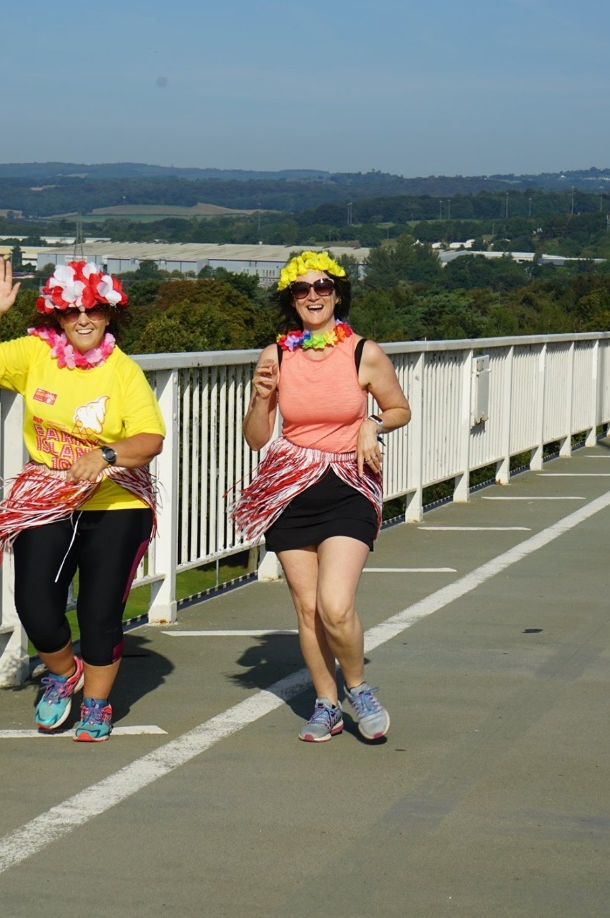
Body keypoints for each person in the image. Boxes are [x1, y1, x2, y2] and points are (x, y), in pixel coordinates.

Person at [0, 258, 166, 742]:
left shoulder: (123, 371)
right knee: (34, 604)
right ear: (58, 315)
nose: (83, 319)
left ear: (109, 314)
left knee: (99, 613)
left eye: (93, 309)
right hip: (48, 496)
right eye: (72, 310)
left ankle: (96, 703)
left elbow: (150, 439)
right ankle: (62, 672)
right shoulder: (37, 352)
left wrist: (106, 454)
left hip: (115, 501)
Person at [233, 251, 411, 743]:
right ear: (291, 299)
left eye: (323, 287)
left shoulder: (362, 352)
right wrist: (260, 397)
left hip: (347, 484)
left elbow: (399, 408)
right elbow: (256, 438)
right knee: (308, 609)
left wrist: (372, 424)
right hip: (291, 485)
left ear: (337, 295)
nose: (313, 296)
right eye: (302, 289)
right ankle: (326, 703)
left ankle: (359, 688)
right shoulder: (276, 354)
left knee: (335, 605)